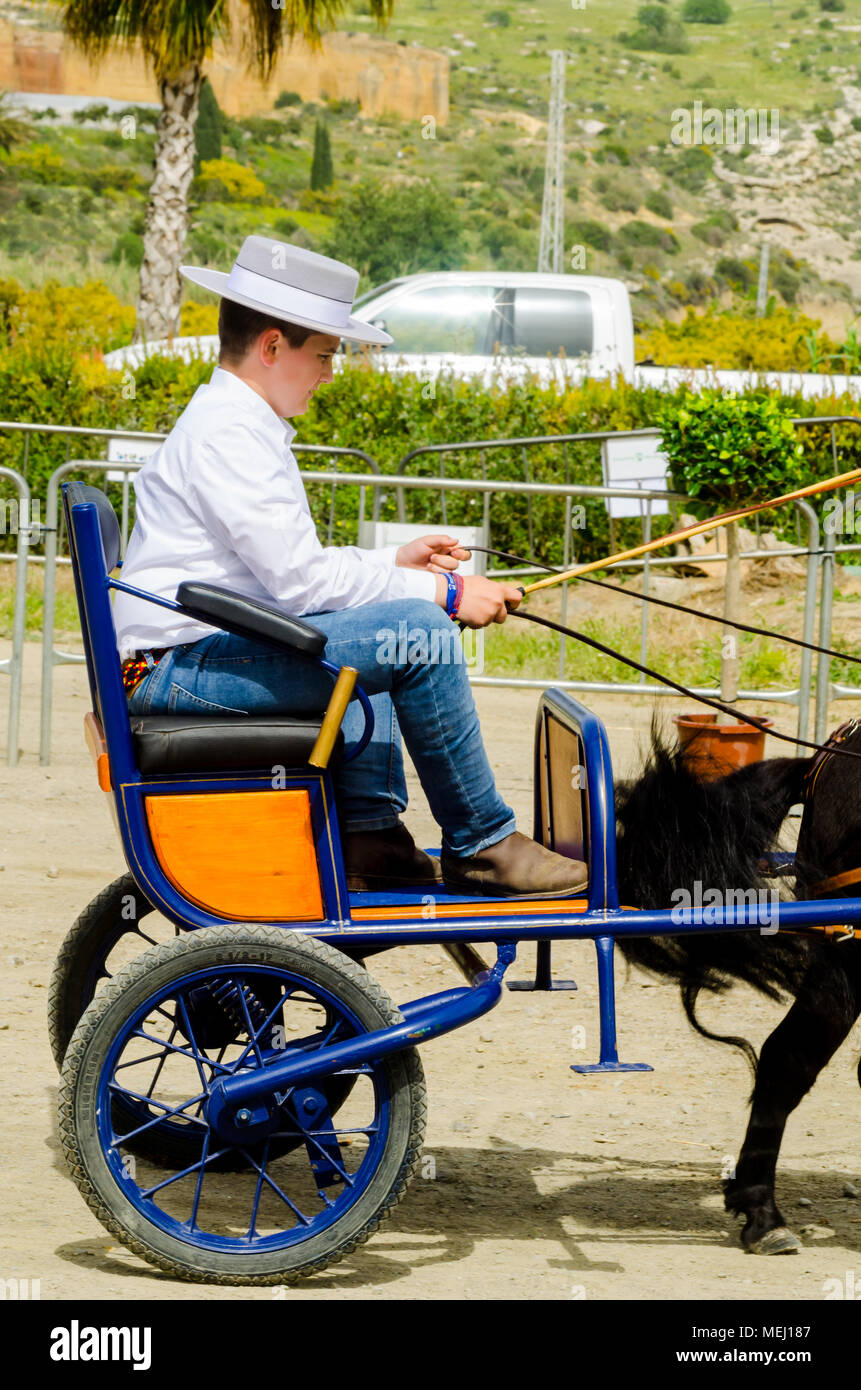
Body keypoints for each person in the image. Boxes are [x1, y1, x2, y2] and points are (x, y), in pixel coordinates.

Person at [113, 236, 588, 899]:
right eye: (325, 355)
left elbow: (290, 572)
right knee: (418, 634)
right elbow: (301, 584)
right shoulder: (228, 434)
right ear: (272, 347)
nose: (330, 373)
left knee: (389, 626)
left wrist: (392, 562)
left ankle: (370, 838)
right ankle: (482, 843)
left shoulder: (235, 424)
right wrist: (445, 592)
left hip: (193, 655)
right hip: (182, 670)